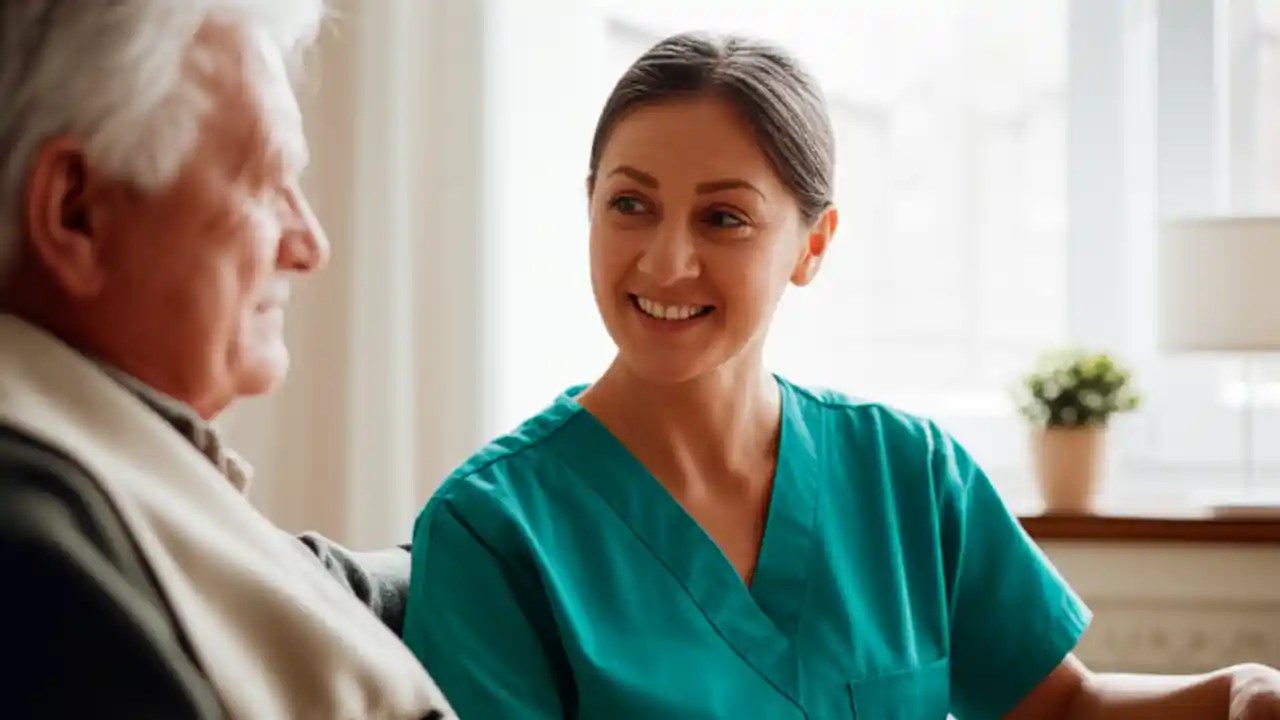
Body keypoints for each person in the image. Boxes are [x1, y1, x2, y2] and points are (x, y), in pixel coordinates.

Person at [401, 32, 1280, 719]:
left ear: (811, 246)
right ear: (588, 205)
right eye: (630, 205)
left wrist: (1239, 690)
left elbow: (1058, 707)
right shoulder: (491, 533)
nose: (665, 263)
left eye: (724, 218)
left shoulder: (906, 473)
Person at [0, 2, 452, 718]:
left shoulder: (102, 467)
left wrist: (504, 540)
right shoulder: (33, 547)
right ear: (77, 213)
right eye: (268, 185)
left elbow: (295, 581)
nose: (310, 244)